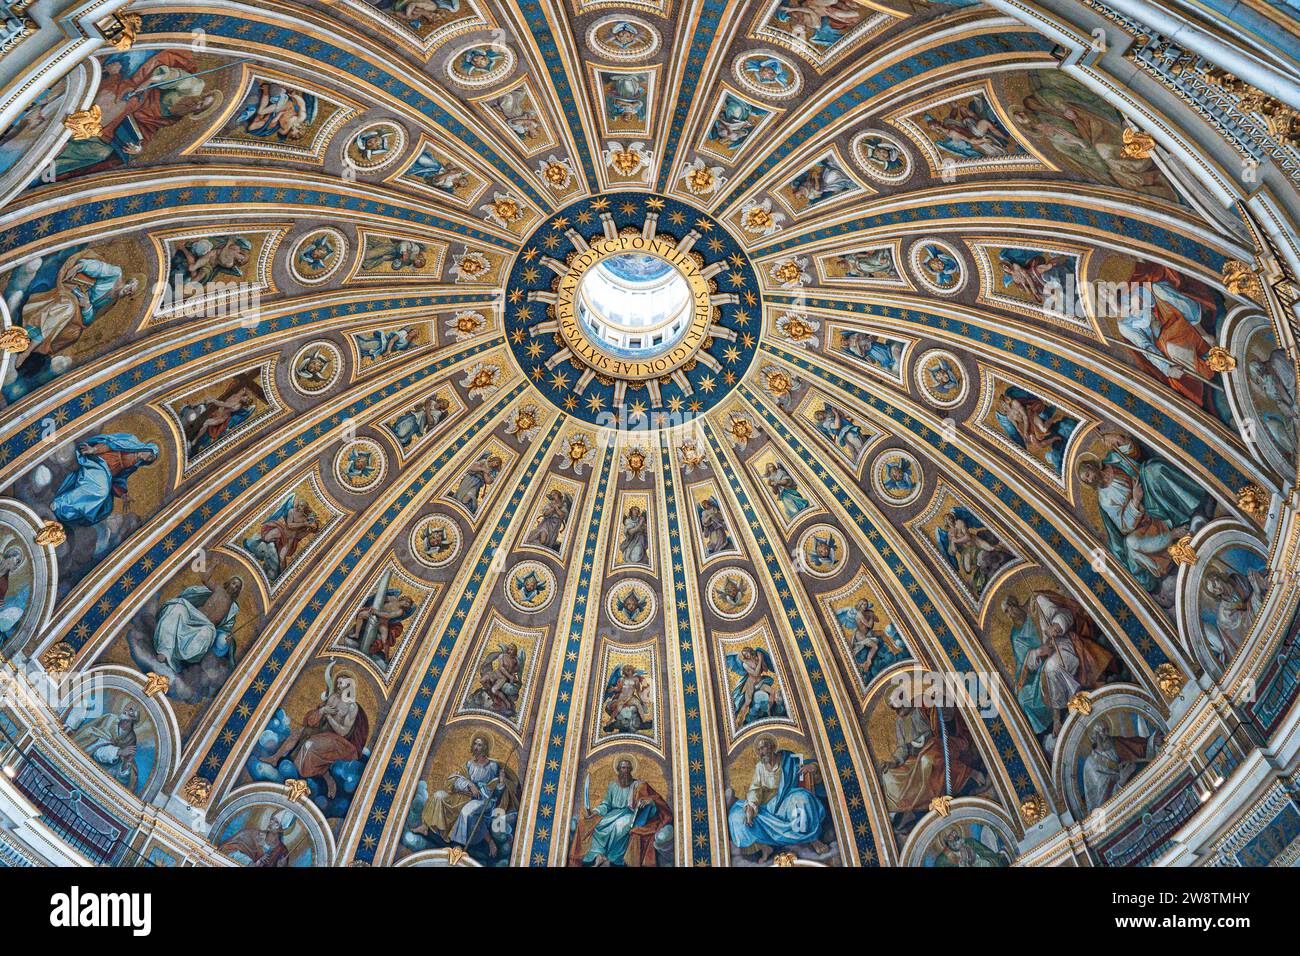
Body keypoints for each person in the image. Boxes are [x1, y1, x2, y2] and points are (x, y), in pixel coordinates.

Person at [266, 666, 368, 799]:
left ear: (349, 684)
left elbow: (343, 732)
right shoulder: (333, 698)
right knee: (298, 732)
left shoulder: (352, 707)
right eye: (337, 682)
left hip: (338, 741)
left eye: (341, 683)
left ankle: (298, 775)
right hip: (322, 731)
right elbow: (315, 719)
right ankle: (275, 758)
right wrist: (322, 711)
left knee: (310, 744)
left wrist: (330, 717)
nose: (337, 685)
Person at [728, 736, 828, 863]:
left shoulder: (788, 759)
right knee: (737, 816)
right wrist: (750, 807)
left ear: (772, 747)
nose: (761, 752)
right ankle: (765, 847)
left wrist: (813, 767)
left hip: (787, 799)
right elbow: (755, 789)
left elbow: (806, 764)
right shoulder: (760, 767)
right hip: (769, 805)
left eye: (763, 748)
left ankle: (812, 839)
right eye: (758, 750)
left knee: (802, 799)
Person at [569, 757, 672, 866]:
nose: (626, 771)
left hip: (630, 814)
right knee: (598, 825)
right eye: (623, 768)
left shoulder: (638, 785)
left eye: (628, 768)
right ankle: (599, 855)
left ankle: (612, 858)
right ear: (618, 769)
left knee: (619, 827)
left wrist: (648, 801)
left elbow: (654, 800)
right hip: (613, 814)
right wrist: (594, 812)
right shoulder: (612, 785)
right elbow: (606, 804)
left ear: (631, 770)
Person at [51, 433, 159, 527]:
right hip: (99, 462)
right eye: (150, 456)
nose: (147, 459)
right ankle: (61, 503)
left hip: (106, 475)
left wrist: (123, 494)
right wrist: (94, 450)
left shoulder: (134, 465)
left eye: (150, 459)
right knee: (101, 490)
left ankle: (67, 511)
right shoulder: (131, 441)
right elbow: (110, 443)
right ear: (147, 448)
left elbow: (119, 479)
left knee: (106, 507)